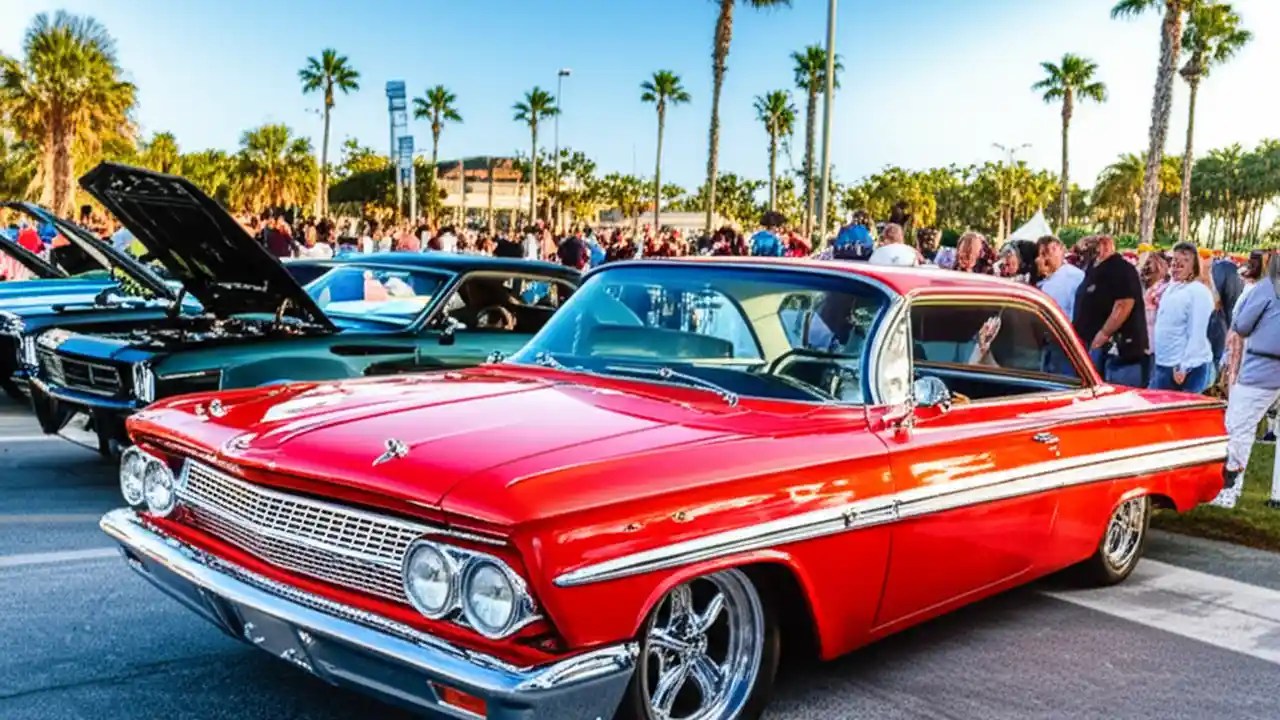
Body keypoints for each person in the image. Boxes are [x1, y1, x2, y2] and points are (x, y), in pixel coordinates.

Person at [1214, 251, 1280, 509]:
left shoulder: (1267, 288)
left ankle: (1228, 490)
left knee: (1238, 427)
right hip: (1266, 365)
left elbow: (1242, 325)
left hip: (1262, 368)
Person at [1072, 234, 1149, 387]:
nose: (1084, 254)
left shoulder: (1121, 269)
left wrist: (1104, 333)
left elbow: (1124, 303)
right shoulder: (1093, 267)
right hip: (1091, 344)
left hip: (1116, 349)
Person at [1150, 243, 1215, 393]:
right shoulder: (1171, 288)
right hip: (1164, 363)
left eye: (1183, 263)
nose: (1176, 266)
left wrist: (1185, 366)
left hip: (1186, 369)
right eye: (1174, 261)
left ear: (1193, 266)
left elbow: (1197, 332)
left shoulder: (1198, 292)